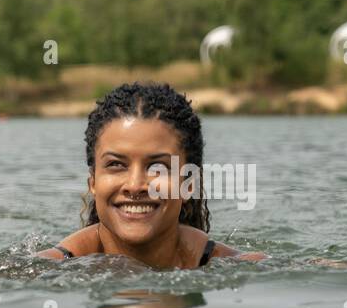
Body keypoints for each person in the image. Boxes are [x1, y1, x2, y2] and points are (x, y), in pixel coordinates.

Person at [34, 82, 265, 269]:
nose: (135, 186)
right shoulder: (45, 270)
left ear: (189, 183)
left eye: (159, 167)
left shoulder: (243, 268)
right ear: (93, 181)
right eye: (116, 164)